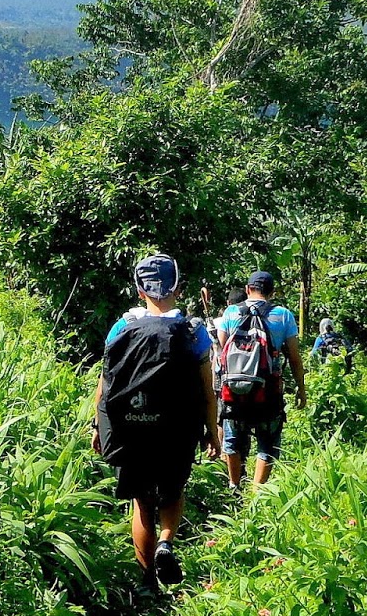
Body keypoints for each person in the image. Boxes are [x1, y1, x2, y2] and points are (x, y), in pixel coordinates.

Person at [93, 254, 220, 593]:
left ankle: (147, 580)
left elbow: (106, 385)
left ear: (139, 291)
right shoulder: (193, 332)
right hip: (177, 431)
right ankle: (166, 542)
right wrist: (212, 431)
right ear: (177, 288)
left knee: (141, 502)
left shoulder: (122, 327)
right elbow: (207, 390)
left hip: (130, 428)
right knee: (172, 492)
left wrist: (98, 427)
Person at [215, 271, 306, 489]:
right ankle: (256, 493)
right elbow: (294, 358)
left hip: (234, 390)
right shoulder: (283, 315)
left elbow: (222, 350)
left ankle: (234, 486)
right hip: (268, 392)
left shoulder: (231, 312)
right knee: (267, 443)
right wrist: (301, 389)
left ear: (247, 289)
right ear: (272, 292)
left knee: (231, 440)